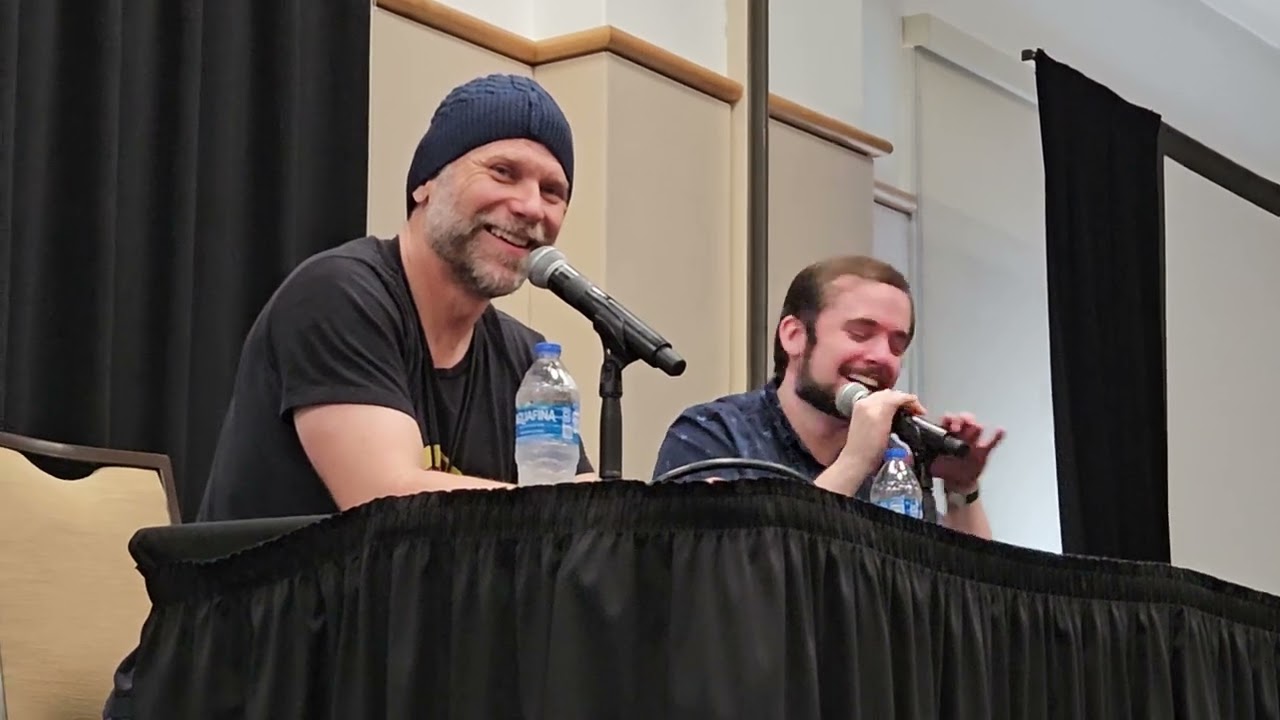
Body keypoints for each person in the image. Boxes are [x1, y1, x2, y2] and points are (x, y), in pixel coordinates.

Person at [195, 72, 595, 523]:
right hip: (275, 593)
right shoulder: (337, 296)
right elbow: (388, 503)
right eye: (503, 173)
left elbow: (581, 520)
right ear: (424, 184)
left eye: (552, 192)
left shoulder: (526, 360)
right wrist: (563, 515)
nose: (530, 207)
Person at [650, 256, 1002, 538]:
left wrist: (961, 490)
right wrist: (853, 463)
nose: (882, 356)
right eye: (861, 334)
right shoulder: (714, 434)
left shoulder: (894, 462)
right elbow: (727, 577)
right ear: (794, 336)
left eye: (897, 345)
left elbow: (970, 603)